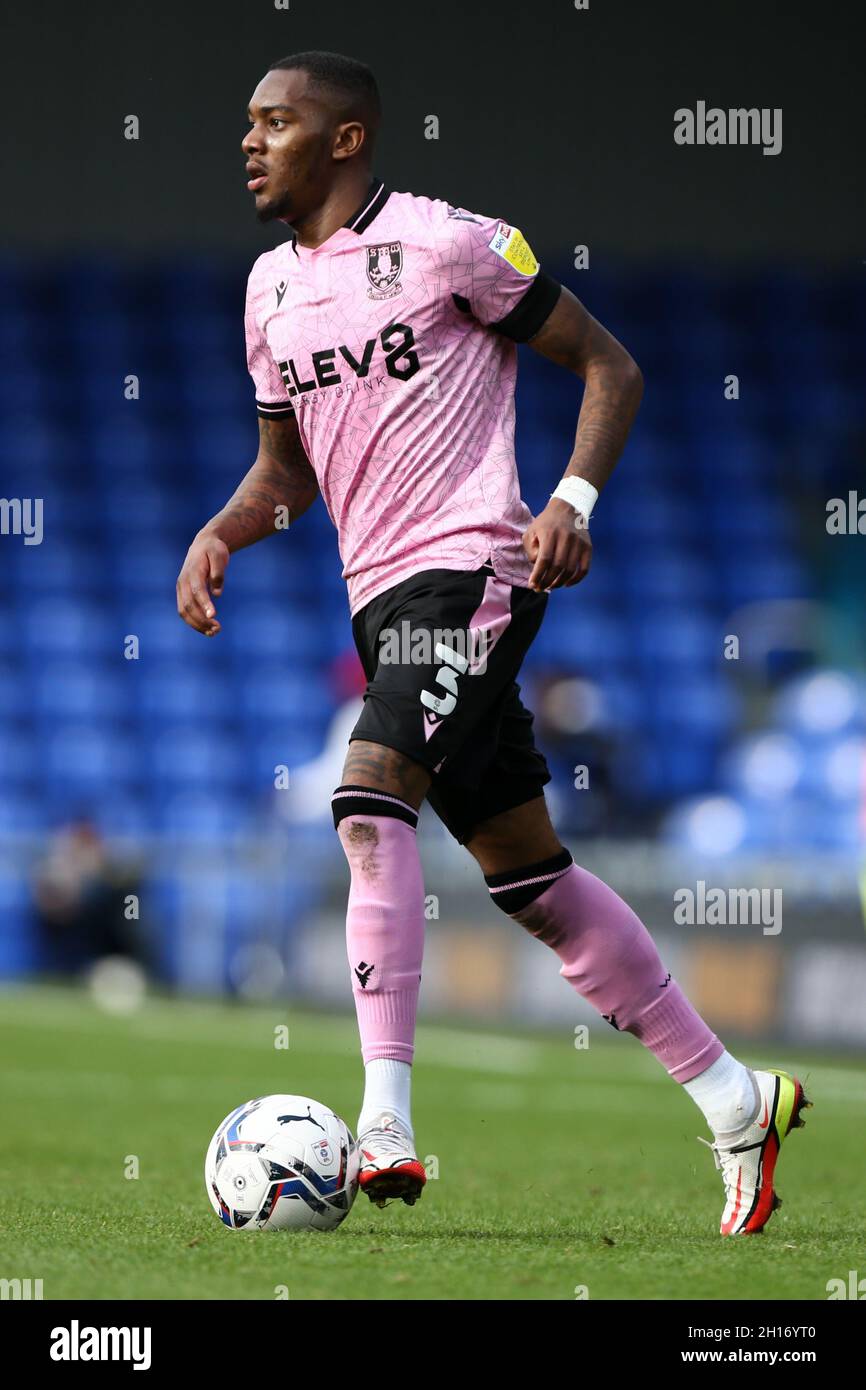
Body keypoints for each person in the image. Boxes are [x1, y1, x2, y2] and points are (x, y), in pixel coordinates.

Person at [176, 49, 809, 1232]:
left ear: (347, 137)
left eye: (275, 121)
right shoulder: (265, 290)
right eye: (247, 124)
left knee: (367, 802)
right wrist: (223, 529)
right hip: (381, 604)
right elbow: (284, 475)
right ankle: (736, 1099)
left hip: (473, 570)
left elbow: (606, 365)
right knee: (530, 878)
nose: (250, 142)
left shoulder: (448, 243)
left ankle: (384, 1123)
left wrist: (571, 499)